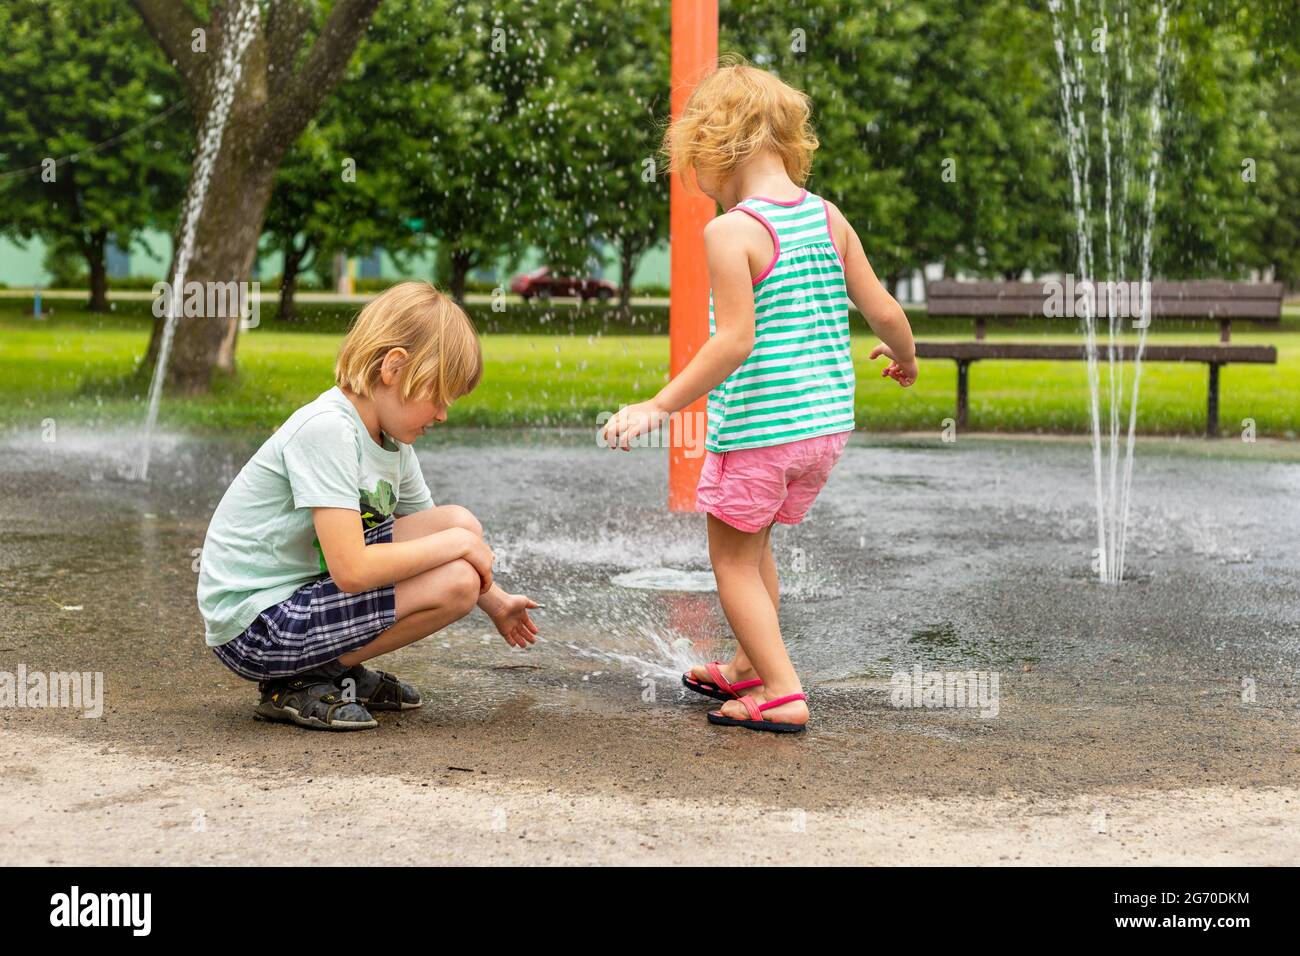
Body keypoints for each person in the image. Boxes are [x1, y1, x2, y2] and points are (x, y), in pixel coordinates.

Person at [602, 60, 917, 733]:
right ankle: (749, 662)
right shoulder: (829, 218)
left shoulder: (732, 232)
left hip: (762, 432)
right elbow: (886, 312)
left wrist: (660, 406)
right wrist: (906, 359)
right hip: (824, 429)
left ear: (717, 149)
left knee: (733, 562)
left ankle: (780, 690)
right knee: (757, 547)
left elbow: (734, 342)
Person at [198, 281, 538, 731]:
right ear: (394, 368)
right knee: (456, 562)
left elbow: (440, 541)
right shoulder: (328, 429)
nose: (443, 415)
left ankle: (328, 670)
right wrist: (460, 547)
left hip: (302, 600)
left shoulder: (393, 443)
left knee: (458, 526)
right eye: (438, 396)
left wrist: (494, 601)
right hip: (257, 626)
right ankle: (303, 679)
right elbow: (353, 570)